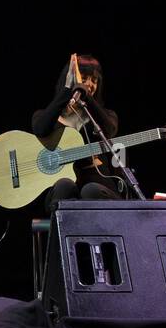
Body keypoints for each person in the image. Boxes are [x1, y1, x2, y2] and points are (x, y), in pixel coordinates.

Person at [31, 52, 124, 216]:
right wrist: (68, 90)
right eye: (84, 79)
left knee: (90, 190)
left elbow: (110, 131)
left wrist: (84, 94)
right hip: (63, 189)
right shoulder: (46, 116)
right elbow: (40, 129)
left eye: (94, 80)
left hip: (99, 190)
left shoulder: (106, 116)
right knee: (64, 186)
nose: (88, 84)